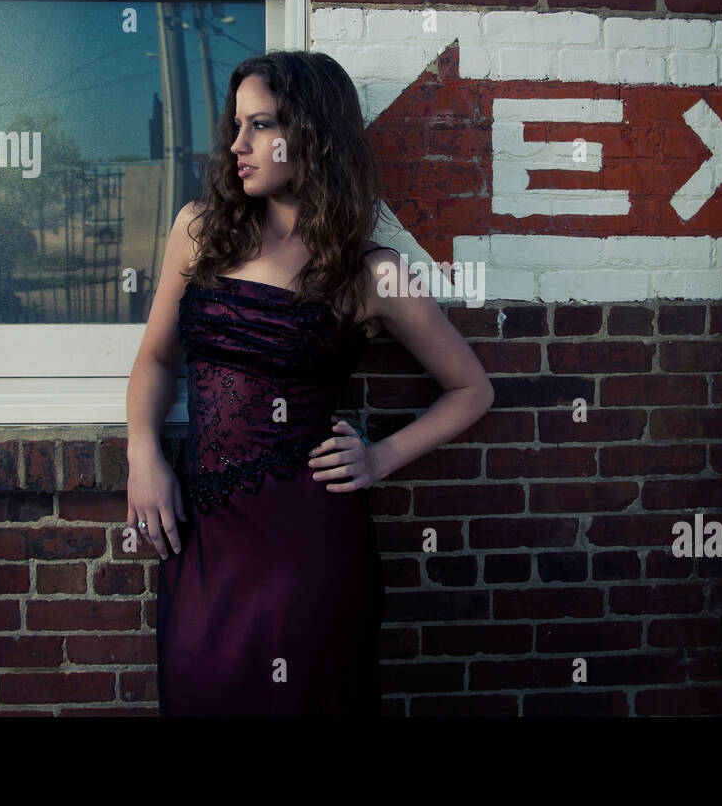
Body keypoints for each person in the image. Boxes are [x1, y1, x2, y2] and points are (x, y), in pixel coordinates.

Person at [125, 50, 494, 716]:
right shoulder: (198, 230)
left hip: (308, 540)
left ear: (313, 134)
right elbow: (156, 359)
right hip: (203, 530)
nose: (237, 145)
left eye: (260, 125)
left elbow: (472, 389)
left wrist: (378, 457)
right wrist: (143, 453)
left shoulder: (370, 272)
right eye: (236, 126)